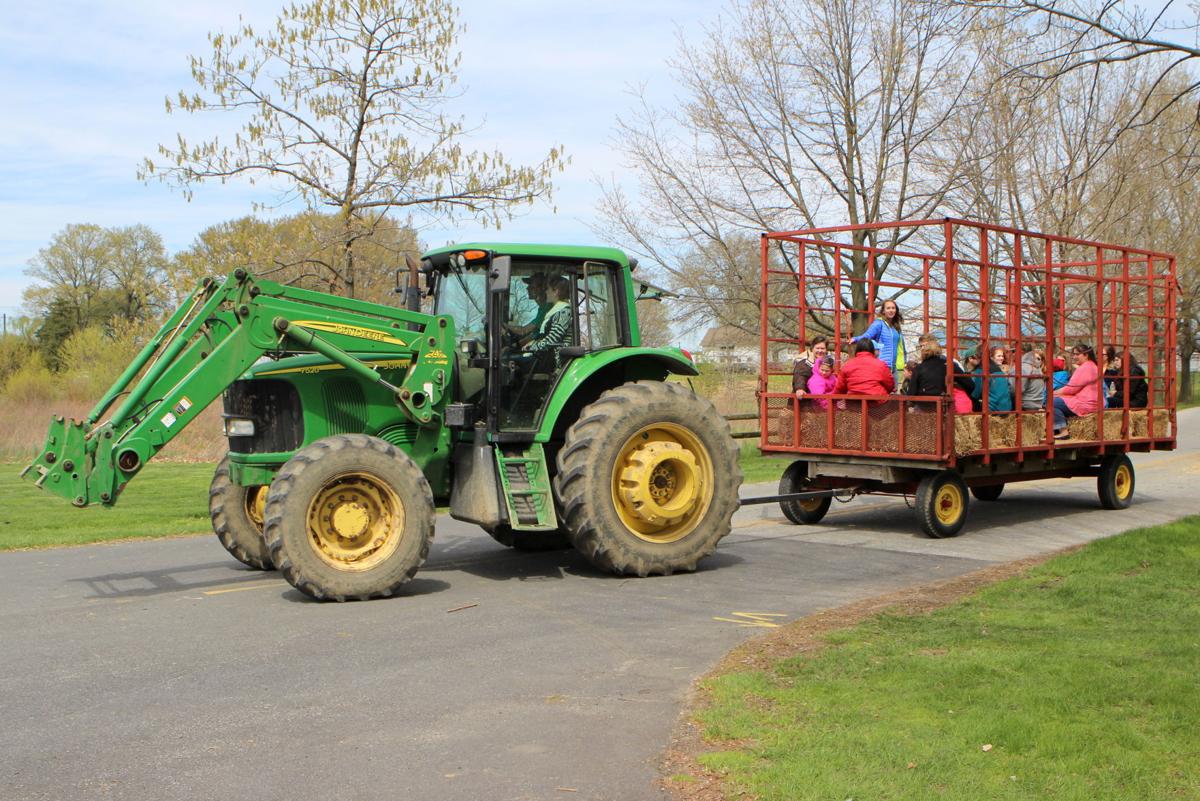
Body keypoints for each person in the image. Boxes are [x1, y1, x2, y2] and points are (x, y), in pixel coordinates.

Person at [851, 299, 907, 388]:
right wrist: (856, 339)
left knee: (894, 394)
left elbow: (901, 347)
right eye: (888, 308)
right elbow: (868, 335)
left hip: (894, 367)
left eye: (893, 308)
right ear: (883, 311)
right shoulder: (879, 324)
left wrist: (904, 361)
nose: (891, 310)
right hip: (882, 364)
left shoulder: (896, 327)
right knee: (883, 392)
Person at [1052, 343, 1101, 439]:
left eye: (1077, 354)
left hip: (1085, 403)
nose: (1074, 357)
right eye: (1073, 354)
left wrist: (1054, 393)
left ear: (1086, 355)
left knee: (1051, 402)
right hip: (1094, 402)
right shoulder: (1093, 366)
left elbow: (1071, 388)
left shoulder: (1085, 367)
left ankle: (1063, 431)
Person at [526, 276, 572, 353]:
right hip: (547, 356)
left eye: (547, 289)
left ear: (556, 292)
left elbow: (552, 339)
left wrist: (532, 347)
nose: (546, 292)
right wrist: (533, 343)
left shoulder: (564, 312)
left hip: (556, 359)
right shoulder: (556, 311)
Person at [973, 345, 1014, 412]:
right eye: (999, 356)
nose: (1001, 358)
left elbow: (976, 393)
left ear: (977, 356)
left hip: (993, 409)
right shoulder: (998, 370)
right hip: (1007, 408)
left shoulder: (981, 369)